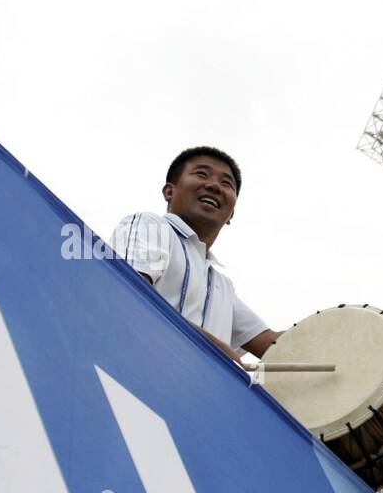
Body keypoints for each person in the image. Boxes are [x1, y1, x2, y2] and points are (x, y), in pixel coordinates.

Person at [110, 146, 279, 362]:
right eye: (201, 174)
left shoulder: (221, 284)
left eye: (226, 183)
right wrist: (216, 351)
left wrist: (333, 331)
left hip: (191, 393)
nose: (214, 186)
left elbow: (276, 346)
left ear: (231, 214)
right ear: (169, 192)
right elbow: (124, 293)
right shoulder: (151, 226)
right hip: (129, 375)